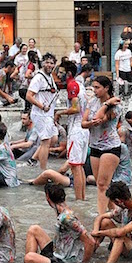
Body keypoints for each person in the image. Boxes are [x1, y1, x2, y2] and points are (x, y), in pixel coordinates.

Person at [24, 184, 97, 263]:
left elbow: (90, 241)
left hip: (64, 261)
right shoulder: (62, 210)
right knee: (34, 229)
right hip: (58, 251)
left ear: (47, 197)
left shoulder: (66, 218)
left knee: (29, 257)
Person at [83, 76, 123, 214]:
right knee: (101, 185)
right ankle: (116, 210)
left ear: (106, 88)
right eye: (93, 87)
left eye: (97, 87)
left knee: (102, 184)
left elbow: (99, 118)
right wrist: (89, 124)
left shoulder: (116, 104)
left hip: (110, 147)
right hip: (94, 146)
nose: (94, 90)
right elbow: (84, 123)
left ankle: (100, 217)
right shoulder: (92, 102)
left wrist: (106, 104)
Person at [90, 182, 132, 263]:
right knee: (105, 222)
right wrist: (95, 232)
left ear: (118, 201)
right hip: (128, 242)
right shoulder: (123, 208)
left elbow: (120, 232)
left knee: (119, 237)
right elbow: (100, 217)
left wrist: (99, 233)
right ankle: (91, 252)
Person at [53, 61, 87, 200]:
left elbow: (75, 109)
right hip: (84, 130)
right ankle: (82, 199)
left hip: (76, 130)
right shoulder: (80, 85)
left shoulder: (72, 85)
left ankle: (79, 201)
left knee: (75, 167)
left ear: (69, 73)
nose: (59, 75)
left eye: (61, 72)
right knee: (79, 167)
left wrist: (59, 113)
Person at [25, 53, 58, 170]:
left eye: (52, 63)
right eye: (47, 62)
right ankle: (43, 170)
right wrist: (42, 106)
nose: (49, 65)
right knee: (46, 141)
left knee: (54, 139)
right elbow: (29, 96)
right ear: (43, 63)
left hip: (48, 114)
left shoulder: (50, 76)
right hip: (41, 114)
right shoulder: (38, 77)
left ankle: (33, 158)